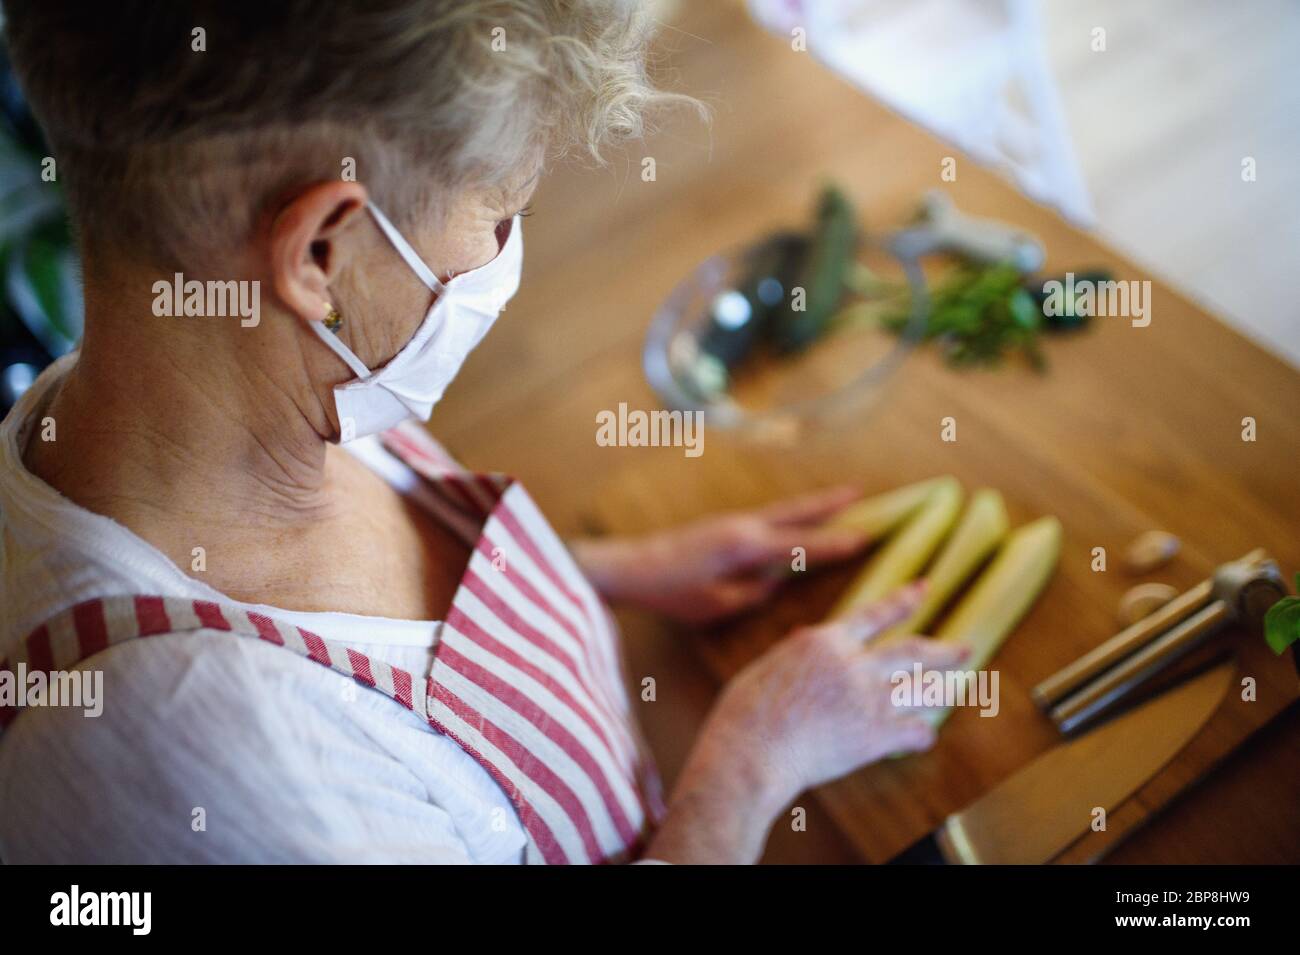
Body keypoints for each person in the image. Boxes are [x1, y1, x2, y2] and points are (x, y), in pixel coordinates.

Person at [0, 0, 962, 864]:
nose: (503, 254)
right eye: (504, 212)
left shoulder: (207, 386)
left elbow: (385, 643)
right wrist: (754, 759)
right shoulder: (205, 758)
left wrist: (612, 568)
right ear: (321, 255)